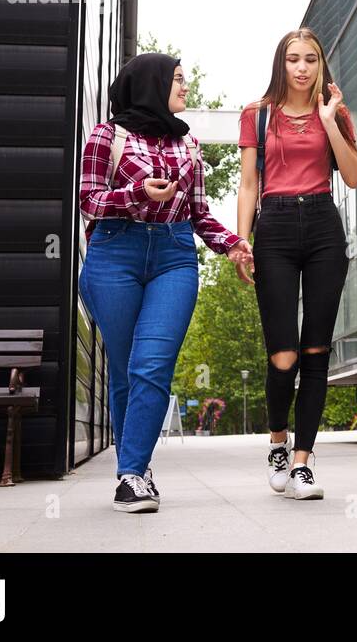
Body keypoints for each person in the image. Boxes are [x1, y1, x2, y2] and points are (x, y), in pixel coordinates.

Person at [78, 52, 253, 513]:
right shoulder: (106, 136)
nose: (186, 88)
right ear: (152, 84)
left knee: (151, 364)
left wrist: (232, 245)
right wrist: (137, 193)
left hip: (175, 257)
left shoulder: (189, 145)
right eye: (178, 80)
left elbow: (198, 213)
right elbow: (88, 201)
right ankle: (135, 468)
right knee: (124, 368)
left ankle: (132, 474)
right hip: (114, 253)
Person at [235, 29, 357, 499]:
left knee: (315, 352)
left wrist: (329, 121)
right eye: (294, 59)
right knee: (283, 353)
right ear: (281, 64)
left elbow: (352, 176)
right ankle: (277, 441)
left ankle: (305, 461)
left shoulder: (336, 111)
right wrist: (241, 242)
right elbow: (249, 184)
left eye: (311, 59)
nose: (303, 68)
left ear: (320, 64)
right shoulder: (257, 114)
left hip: (324, 225)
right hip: (276, 227)